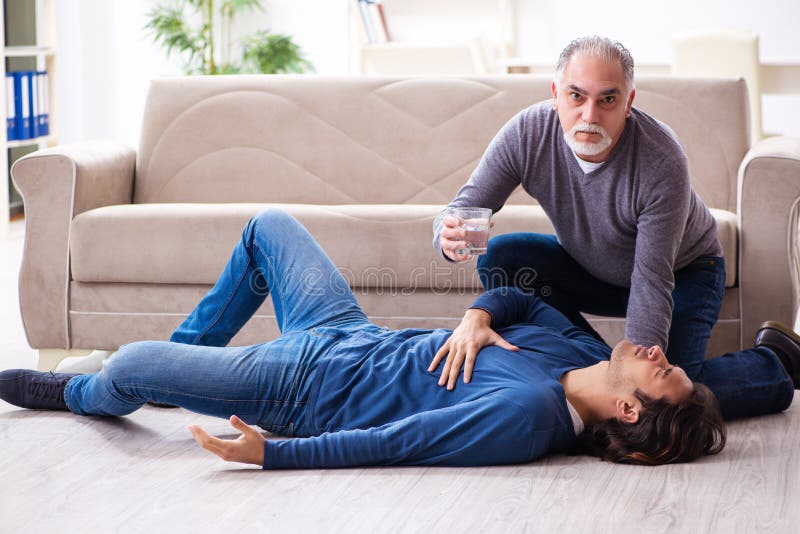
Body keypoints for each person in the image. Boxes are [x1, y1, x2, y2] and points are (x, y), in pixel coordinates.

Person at [0, 209, 738, 469]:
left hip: (301, 392)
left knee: (129, 365)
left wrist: (273, 456)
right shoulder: (583, 354)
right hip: (345, 331)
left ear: (630, 410)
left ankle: (79, 392)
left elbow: (397, 442)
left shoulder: (528, 419)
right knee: (267, 227)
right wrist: (479, 318)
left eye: (662, 370)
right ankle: (179, 367)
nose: (656, 350)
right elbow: (517, 296)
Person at [433, 35, 799, 419]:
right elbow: (464, 207)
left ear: (629, 103)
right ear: (556, 94)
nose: (589, 115)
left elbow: (652, 279)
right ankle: (593, 365)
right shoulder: (527, 133)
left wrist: (631, 384)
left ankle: (777, 362)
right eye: (576, 96)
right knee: (503, 257)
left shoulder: (661, 159)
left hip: (685, 273)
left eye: (607, 99)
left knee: (665, 399)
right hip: (594, 269)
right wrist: (447, 235)